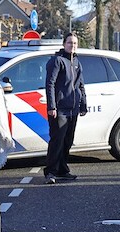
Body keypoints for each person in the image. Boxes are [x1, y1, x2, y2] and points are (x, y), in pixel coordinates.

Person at [43, 32, 86, 184]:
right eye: (70, 43)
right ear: (64, 44)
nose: (72, 46)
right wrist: (52, 106)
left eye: (74, 43)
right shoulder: (57, 61)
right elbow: (50, 84)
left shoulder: (77, 62)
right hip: (60, 109)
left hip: (73, 109)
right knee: (57, 141)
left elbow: (80, 85)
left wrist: (83, 104)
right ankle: (51, 172)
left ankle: (62, 169)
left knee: (68, 141)